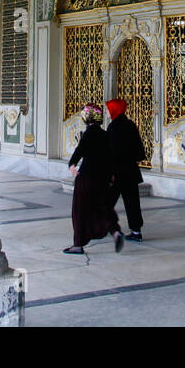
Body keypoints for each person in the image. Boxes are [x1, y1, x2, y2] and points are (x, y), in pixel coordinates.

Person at [64, 104, 124, 255]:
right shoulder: (105, 135)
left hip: (87, 178)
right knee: (103, 208)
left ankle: (78, 244)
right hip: (102, 177)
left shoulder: (89, 133)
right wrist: (111, 174)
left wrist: (72, 164)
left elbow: (80, 150)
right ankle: (115, 232)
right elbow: (110, 156)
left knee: (79, 211)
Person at [106, 98, 146, 241]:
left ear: (114, 110)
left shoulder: (113, 128)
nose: (106, 113)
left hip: (116, 173)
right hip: (130, 171)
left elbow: (109, 153)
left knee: (107, 202)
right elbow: (140, 151)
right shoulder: (130, 125)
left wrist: (109, 172)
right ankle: (136, 232)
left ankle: (100, 227)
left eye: (108, 110)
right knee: (132, 203)